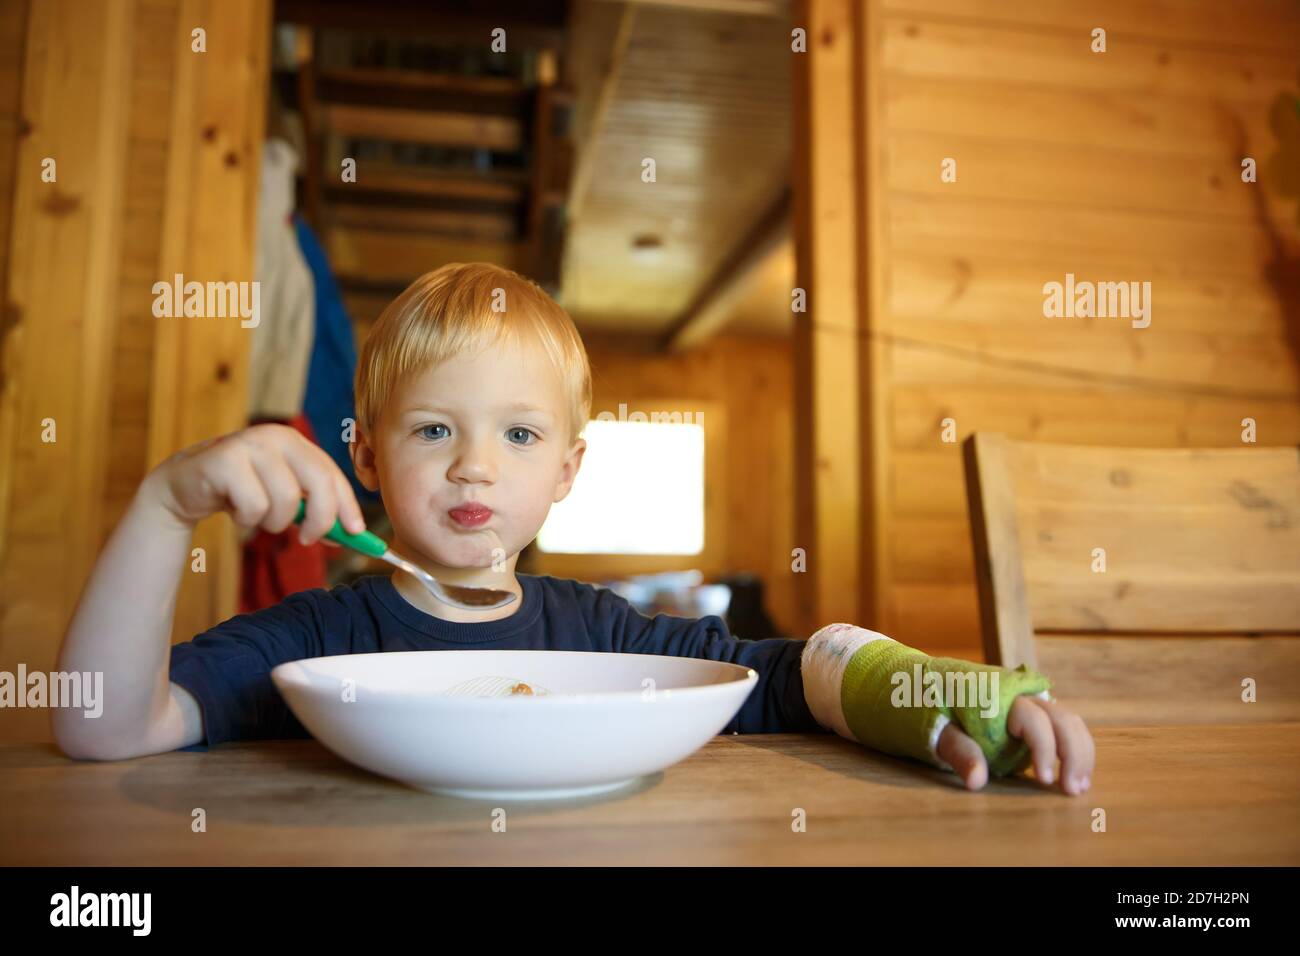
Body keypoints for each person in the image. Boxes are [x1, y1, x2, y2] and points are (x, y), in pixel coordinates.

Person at [52, 263, 1094, 795]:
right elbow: (104, 725)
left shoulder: (609, 636)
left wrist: (931, 693)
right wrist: (164, 505)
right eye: (431, 429)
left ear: (567, 470)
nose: (473, 463)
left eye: (516, 431)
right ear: (366, 459)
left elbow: (792, 677)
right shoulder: (319, 640)